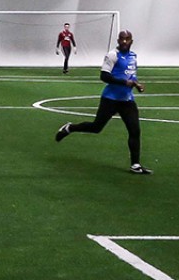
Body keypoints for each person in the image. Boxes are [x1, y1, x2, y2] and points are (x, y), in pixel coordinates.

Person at [54, 29, 152, 174]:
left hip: (127, 100)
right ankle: (70, 128)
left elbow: (131, 75)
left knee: (135, 130)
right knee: (96, 127)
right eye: (122, 39)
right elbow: (104, 76)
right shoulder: (113, 55)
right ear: (118, 40)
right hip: (110, 99)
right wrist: (124, 83)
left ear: (132, 41)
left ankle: (135, 165)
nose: (124, 41)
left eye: (127, 39)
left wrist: (137, 84)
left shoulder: (133, 56)